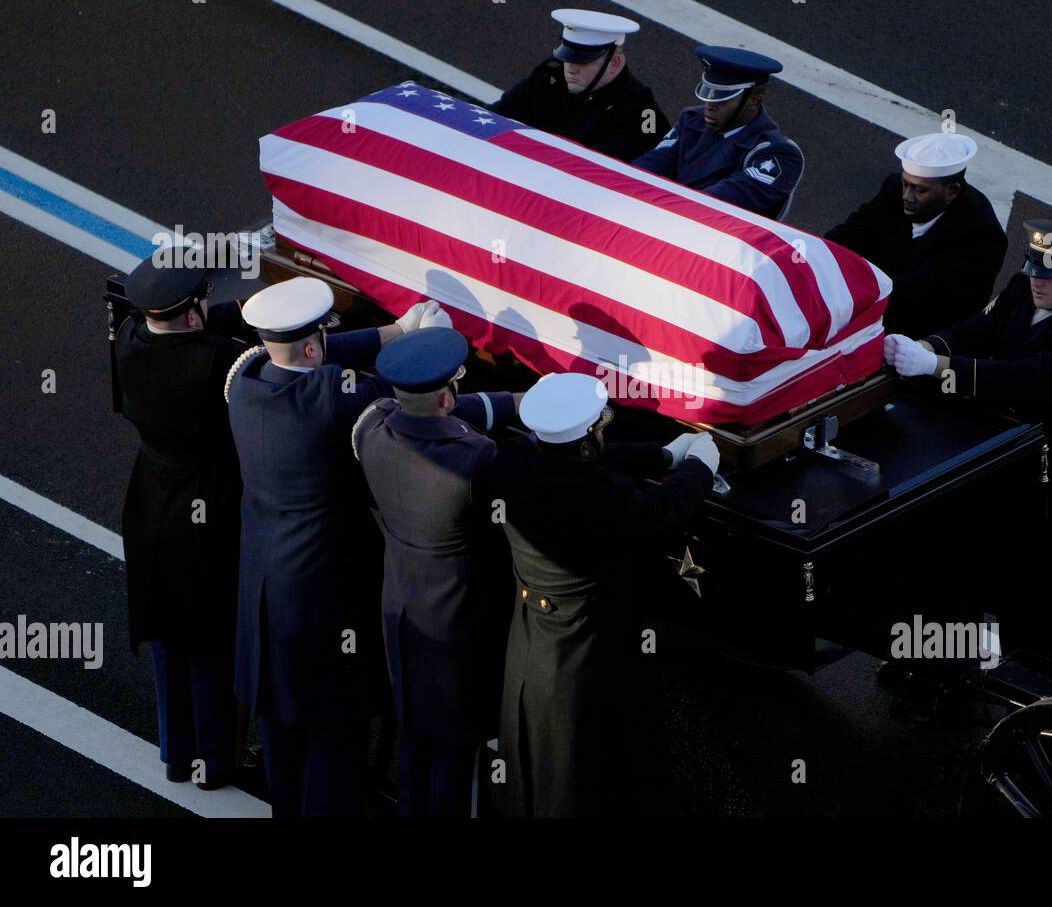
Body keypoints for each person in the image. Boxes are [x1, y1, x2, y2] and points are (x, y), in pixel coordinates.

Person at [225, 277, 446, 817]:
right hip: (324, 596)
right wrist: (420, 344)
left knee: (281, 728)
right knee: (335, 736)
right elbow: (411, 390)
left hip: (265, 589)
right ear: (311, 348)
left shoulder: (246, 383)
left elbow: (308, 357)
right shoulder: (332, 401)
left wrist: (392, 330)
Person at [883, 219, 1052, 677]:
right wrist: (927, 346)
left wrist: (936, 365)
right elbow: (979, 328)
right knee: (1012, 588)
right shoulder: (1023, 290)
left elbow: (1025, 379)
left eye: (1050, 274)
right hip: (1017, 469)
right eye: (1034, 269)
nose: (1037, 281)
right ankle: (959, 675)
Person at [491, 373, 717, 816]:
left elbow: (577, 459)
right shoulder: (599, 497)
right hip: (586, 654)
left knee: (535, 763)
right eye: (598, 429)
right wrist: (699, 467)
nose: (601, 436)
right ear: (584, 445)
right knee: (582, 775)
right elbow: (662, 509)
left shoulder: (511, 464)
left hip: (531, 640)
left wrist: (661, 455)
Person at [351, 327, 520, 817]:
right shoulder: (475, 458)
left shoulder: (372, 432)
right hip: (458, 626)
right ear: (448, 396)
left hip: (400, 609)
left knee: (414, 732)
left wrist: (503, 404)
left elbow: (409, 414)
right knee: (454, 749)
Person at [117, 247, 246, 790]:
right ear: (192, 315)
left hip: (150, 502)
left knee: (169, 636)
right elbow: (273, 359)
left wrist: (233, 313)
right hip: (207, 508)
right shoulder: (217, 361)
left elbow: (193, 330)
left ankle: (177, 753)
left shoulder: (129, 338)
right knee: (210, 640)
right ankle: (213, 761)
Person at [825, 133, 1008, 337]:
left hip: (922, 334)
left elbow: (920, 292)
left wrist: (849, 289)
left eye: (919, 190)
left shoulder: (982, 237)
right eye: (906, 184)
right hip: (875, 301)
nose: (907, 196)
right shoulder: (894, 188)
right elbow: (851, 232)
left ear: (952, 191)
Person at [632, 45, 804, 219]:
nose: (709, 106)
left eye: (722, 99)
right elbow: (654, 162)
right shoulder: (691, 120)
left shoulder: (776, 154)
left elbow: (722, 200)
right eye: (709, 94)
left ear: (754, 101)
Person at [491, 8, 665, 162]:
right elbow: (494, 116)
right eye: (567, 58)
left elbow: (593, 169)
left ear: (614, 63)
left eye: (583, 62)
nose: (570, 69)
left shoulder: (640, 115)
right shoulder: (548, 77)